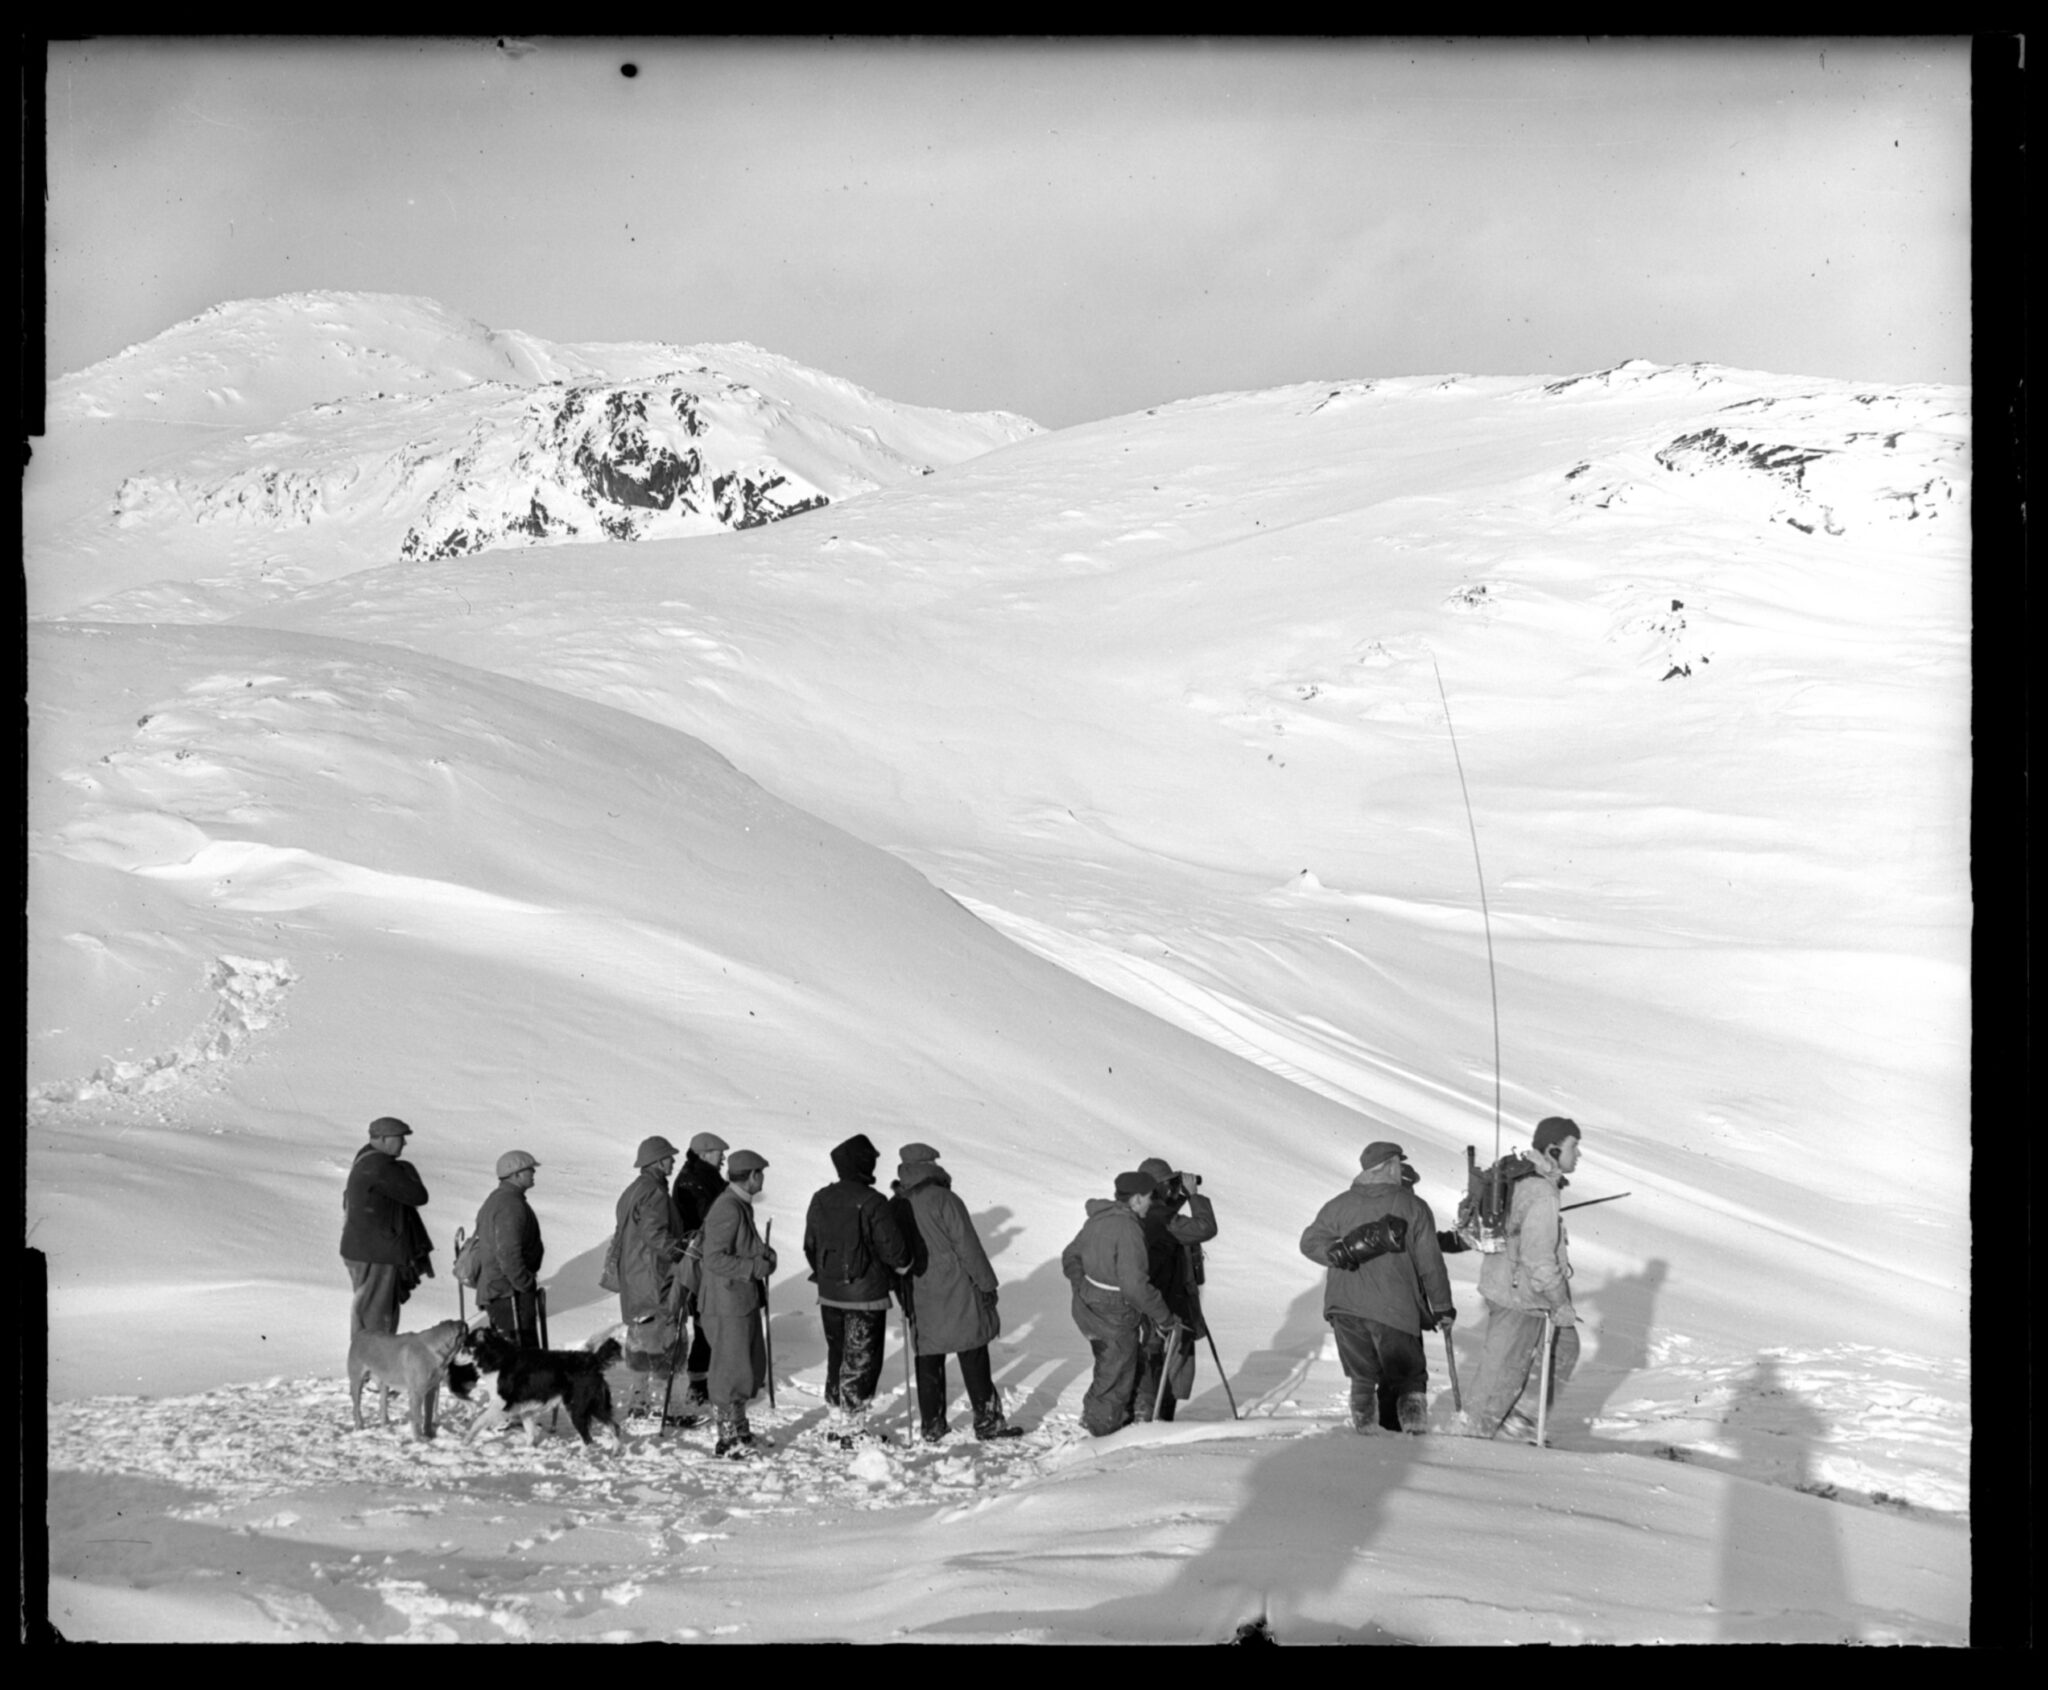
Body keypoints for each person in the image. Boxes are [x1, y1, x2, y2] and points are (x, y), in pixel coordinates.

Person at [1299, 1138, 1456, 1435]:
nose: (1401, 1169)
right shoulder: (1412, 1206)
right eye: (1399, 1163)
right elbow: (1431, 1264)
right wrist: (1443, 1307)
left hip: (1344, 1308)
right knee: (1409, 1377)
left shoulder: (1339, 1205)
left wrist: (1336, 1252)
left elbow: (1308, 1243)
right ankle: (1414, 1436)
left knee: (1362, 1377)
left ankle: (1365, 1436)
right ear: (1389, 1166)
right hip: (1393, 1309)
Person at [1467, 1117, 1584, 1440]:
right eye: (1574, 1147)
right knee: (1504, 1372)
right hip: (1520, 1294)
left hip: (1508, 1285)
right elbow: (1538, 1257)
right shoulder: (1541, 1191)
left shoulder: (1525, 1178)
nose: (1578, 1155)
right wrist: (1559, 1302)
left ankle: (1517, 1421)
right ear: (1553, 1148)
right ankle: (1474, 1438)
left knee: (1565, 1346)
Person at [803, 1134, 912, 1445]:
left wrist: (826, 1274)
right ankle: (852, 1428)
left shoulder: (820, 1198)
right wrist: (902, 1265)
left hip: (828, 1292)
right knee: (862, 1358)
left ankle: (835, 1416)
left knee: (837, 1352)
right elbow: (894, 1250)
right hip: (867, 1294)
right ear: (864, 1164)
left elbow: (810, 1245)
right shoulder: (873, 1201)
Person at [894, 1148, 1009, 1442]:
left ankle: (932, 1425)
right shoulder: (945, 1199)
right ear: (928, 1166)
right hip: (956, 1286)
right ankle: (988, 1422)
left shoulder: (896, 1203)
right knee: (972, 1350)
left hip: (919, 1289)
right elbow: (968, 1246)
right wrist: (987, 1284)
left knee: (928, 1355)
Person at [1062, 1171, 1179, 1436]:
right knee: (1115, 1376)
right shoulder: (1128, 1228)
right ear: (1136, 1199)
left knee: (1109, 1367)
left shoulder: (1099, 1219)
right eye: (1149, 1198)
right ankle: (1101, 1436)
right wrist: (1164, 1317)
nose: (1150, 1203)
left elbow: (1070, 1256)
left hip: (1090, 1306)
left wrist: (1083, 1286)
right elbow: (1135, 1286)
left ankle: (1095, 1422)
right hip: (1114, 1311)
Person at [699, 1148, 777, 1456]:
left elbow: (741, 1247)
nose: (763, 1179)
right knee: (729, 1372)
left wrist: (763, 1255)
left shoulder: (739, 1205)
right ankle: (728, 1438)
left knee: (744, 1367)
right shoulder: (728, 1208)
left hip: (737, 1300)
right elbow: (714, 1258)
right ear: (753, 1175)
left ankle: (740, 1431)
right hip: (726, 1302)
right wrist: (754, 1267)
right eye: (762, 1173)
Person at [1130, 1156, 1218, 1423]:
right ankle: (1153, 1420)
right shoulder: (1162, 1219)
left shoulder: (1141, 1213)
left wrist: (1178, 1196)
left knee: (1153, 1358)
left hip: (1145, 1298)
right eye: (1169, 1183)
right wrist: (1193, 1196)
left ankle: (1149, 1417)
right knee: (1161, 1361)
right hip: (1165, 1301)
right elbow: (1205, 1228)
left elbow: (1163, 1214)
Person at [613, 1135, 690, 1417]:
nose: (673, 1161)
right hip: (655, 1279)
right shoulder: (655, 1193)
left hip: (635, 1280)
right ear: (657, 1161)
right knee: (668, 1341)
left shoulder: (634, 1190)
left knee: (640, 1341)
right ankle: (671, 1407)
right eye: (668, 1157)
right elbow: (656, 1235)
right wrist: (681, 1249)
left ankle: (640, 1402)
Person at [341, 1116, 434, 1336]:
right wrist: (408, 1171)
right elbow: (418, 1195)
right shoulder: (382, 1166)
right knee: (377, 1319)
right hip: (377, 1253)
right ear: (383, 1139)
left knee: (365, 1313)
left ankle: (368, 1362)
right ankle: (374, 1366)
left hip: (361, 1249)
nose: (404, 1143)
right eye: (400, 1138)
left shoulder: (364, 1156)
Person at [671, 1132, 730, 1409]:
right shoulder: (695, 1180)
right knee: (705, 1321)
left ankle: (707, 1379)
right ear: (706, 1153)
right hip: (703, 1262)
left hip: (707, 1260)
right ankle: (698, 1383)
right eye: (720, 1153)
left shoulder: (702, 1177)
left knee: (709, 1321)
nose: (723, 1158)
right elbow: (711, 1221)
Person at [474, 1150, 544, 1347]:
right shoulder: (510, 1205)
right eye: (529, 1169)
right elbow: (507, 1252)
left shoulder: (499, 1199)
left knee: (514, 1355)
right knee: (521, 1355)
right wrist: (524, 1283)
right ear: (516, 1174)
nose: (533, 1173)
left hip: (502, 1288)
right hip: (509, 1292)